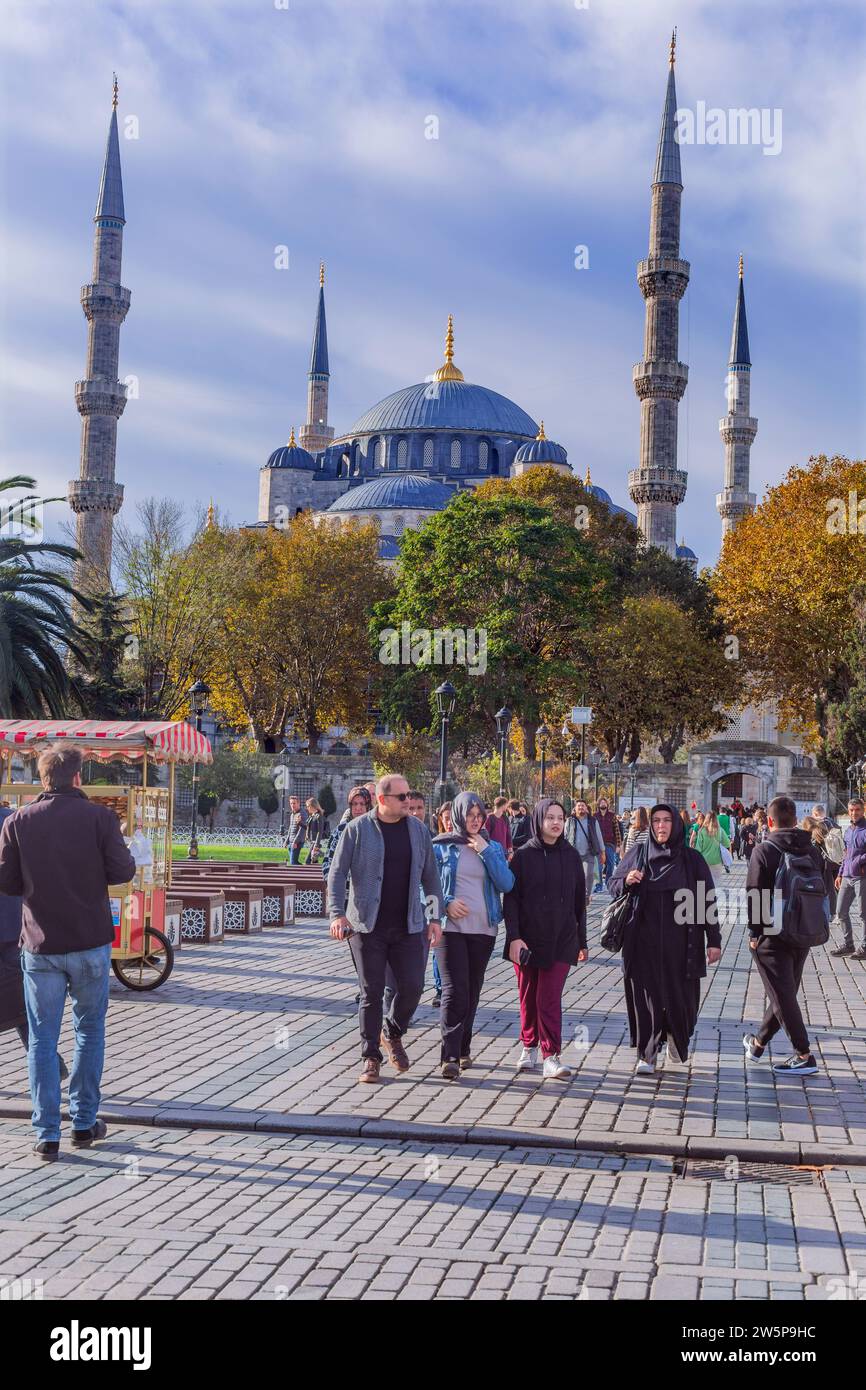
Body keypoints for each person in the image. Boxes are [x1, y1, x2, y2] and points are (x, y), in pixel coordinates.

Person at [0, 744, 136, 1160]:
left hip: (41, 943)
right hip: (89, 940)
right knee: (89, 1031)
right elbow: (123, 871)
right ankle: (82, 1121)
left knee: (41, 1038)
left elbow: (6, 881)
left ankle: (45, 1132)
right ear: (78, 777)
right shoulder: (99, 817)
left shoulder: (19, 821)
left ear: (42, 779)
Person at [327, 774, 443, 1084]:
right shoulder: (357, 829)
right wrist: (338, 914)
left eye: (409, 797)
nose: (409, 802)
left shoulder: (418, 831)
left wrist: (434, 919)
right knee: (371, 992)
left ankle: (391, 1031)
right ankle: (370, 1057)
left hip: (409, 924)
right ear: (382, 799)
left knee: (413, 986)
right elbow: (337, 875)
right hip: (366, 926)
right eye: (402, 797)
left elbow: (431, 877)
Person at [610, 803, 721, 1074]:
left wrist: (714, 939)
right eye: (656, 821)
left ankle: (675, 1035)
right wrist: (627, 880)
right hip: (642, 939)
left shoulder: (691, 859)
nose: (661, 826)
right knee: (646, 997)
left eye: (667, 821)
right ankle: (647, 1053)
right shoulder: (639, 853)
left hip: (683, 942)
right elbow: (613, 884)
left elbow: (706, 899)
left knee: (683, 999)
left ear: (676, 825)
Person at [503, 798, 587, 1079]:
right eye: (549, 817)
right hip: (527, 940)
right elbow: (511, 900)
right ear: (538, 820)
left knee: (548, 997)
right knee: (528, 996)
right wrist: (514, 938)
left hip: (563, 939)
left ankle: (551, 1054)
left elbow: (579, 903)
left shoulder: (572, 856)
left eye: (560, 818)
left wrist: (582, 942)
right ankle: (529, 1046)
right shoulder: (523, 856)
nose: (555, 822)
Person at [743, 795, 826, 1075]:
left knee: (782, 997)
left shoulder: (765, 850)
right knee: (783, 993)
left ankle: (803, 1055)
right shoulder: (812, 849)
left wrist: (754, 932)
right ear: (795, 818)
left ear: (769, 820)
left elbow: (756, 894)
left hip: (772, 933)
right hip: (802, 929)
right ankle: (757, 1043)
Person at [432, 792, 514, 1078]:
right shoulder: (441, 847)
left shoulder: (491, 847)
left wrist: (486, 851)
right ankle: (450, 1056)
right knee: (454, 990)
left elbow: (507, 883)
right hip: (450, 930)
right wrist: (445, 904)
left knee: (472, 990)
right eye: (471, 815)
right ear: (458, 815)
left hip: (484, 929)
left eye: (480, 815)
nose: (476, 820)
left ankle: (464, 1048)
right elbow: (423, 887)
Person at [831, 797, 866, 959]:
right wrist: (839, 873)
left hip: (862, 877)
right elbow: (846, 854)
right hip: (846, 876)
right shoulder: (849, 830)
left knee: (863, 913)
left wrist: (859, 861)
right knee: (841, 911)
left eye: (857, 810)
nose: (854, 813)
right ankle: (848, 944)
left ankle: (865, 947)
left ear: (863, 810)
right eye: (851, 810)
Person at [320, 785, 372, 882]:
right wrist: (331, 884)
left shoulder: (375, 829)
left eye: (362, 804)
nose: (358, 808)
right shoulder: (341, 829)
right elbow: (328, 860)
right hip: (342, 889)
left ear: (368, 806)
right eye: (354, 804)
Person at [565, 799, 605, 905]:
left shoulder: (592, 820)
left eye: (583, 806)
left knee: (589, 874)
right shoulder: (570, 820)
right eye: (579, 806)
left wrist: (603, 851)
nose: (581, 808)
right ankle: (575, 895)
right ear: (575, 808)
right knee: (573, 876)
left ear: (586, 808)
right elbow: (564, 836)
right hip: (573, 853)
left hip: (589, 853)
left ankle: (586, 896)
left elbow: (599, 836)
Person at [692, 811, 731, 879]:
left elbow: (698, 848)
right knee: (715, 884)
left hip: (704, 861)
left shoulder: (701, 831)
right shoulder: (720, 830)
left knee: (701, 883)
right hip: (717, 861)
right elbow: (727, 844)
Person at [594, 796, 622, 890]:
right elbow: (592, 831)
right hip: (598, 845)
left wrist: (619, 845)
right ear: (598, 804)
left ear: (607, 804)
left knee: (610, 864)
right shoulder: (594, 816)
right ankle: (599, 885)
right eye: (601, 802)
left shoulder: (612, 815)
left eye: (604, 802)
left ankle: (608, 882)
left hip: (609, 844)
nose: (603, 804)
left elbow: (617, 830)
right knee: (598, 866)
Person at [485, 795, 513, 860]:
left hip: (504, 853)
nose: (507, 807)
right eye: (506, 805)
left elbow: (508, 836)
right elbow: (486, 836)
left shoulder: (505, 818)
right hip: (492, 853)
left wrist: (510, 851)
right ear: (503, 805)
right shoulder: (489, 818)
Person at [304, 798, 329, 864]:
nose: (307, 808)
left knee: (307, 861)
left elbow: (320, 831)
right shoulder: (312, 816)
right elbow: (309, 828)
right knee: (314, 861)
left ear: (313, 806)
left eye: (308, 806)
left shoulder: (319, 816)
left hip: (316, 842)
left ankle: (324, 854)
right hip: (312, 841)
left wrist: (316, 845)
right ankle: (321, 854)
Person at [285, 795, 307, 865]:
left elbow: (302, 829)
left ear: (298, 803)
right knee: (294, 862)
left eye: (294, 803)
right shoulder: (292, 814)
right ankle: (303, 869)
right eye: (291, 803)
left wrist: (295, 842)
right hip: (291, 841)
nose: (292, 805)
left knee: (293, 863)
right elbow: (290, 828)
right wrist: (286, 841)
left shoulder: (302, 813)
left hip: (297, 841)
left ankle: (304, 871)